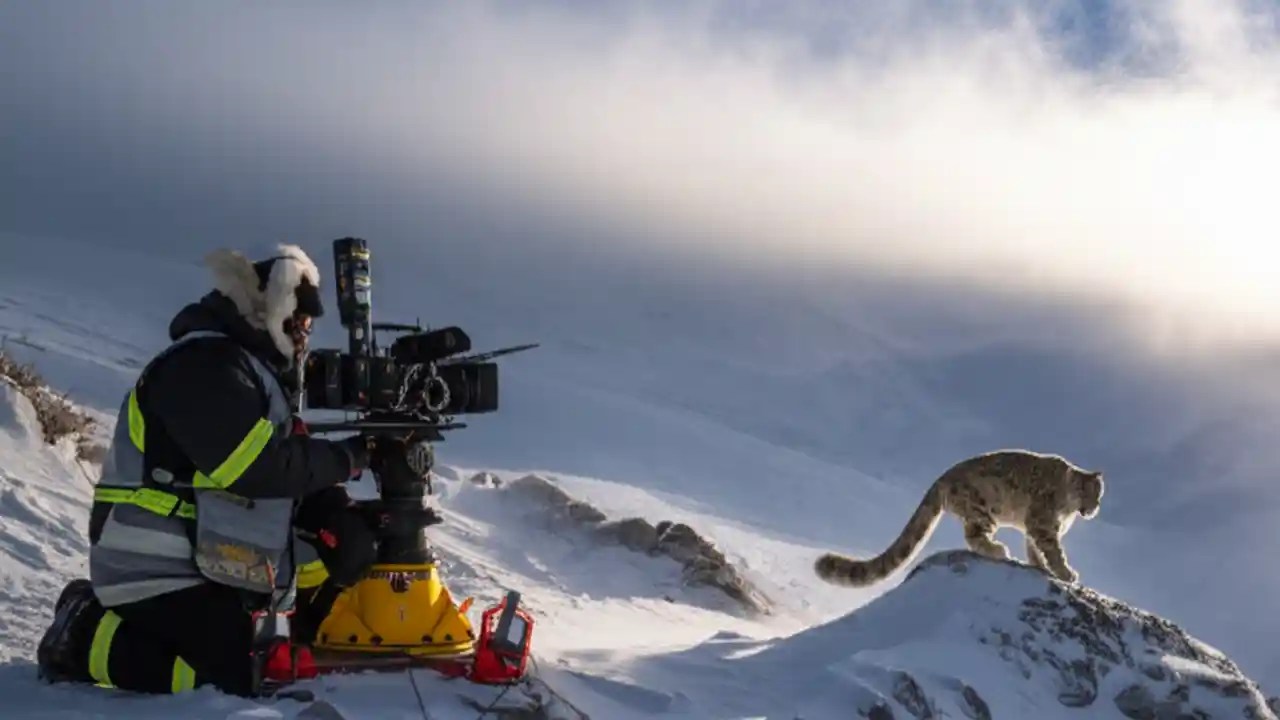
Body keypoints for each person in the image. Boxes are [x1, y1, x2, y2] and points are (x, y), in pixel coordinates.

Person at [36, 244, 378, 696]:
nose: (303, 342)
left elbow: (285, 471)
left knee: (281, 653)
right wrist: (348, 459)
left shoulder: (253, 377)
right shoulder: (203, 365)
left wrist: (336, 513)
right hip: (150, 568)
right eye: (299, 325)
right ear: (271, 311)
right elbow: (253, 466)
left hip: (212, 563)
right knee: (233, 678)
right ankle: (81, 632)